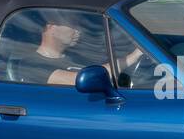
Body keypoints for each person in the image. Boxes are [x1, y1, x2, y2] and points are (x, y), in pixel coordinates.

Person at [14, 10, 146, 86]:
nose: (79, 31)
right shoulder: (31, 65)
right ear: (51, 27)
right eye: (72, 25)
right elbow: (86, 79)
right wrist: (133, 57)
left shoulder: (78, 55)